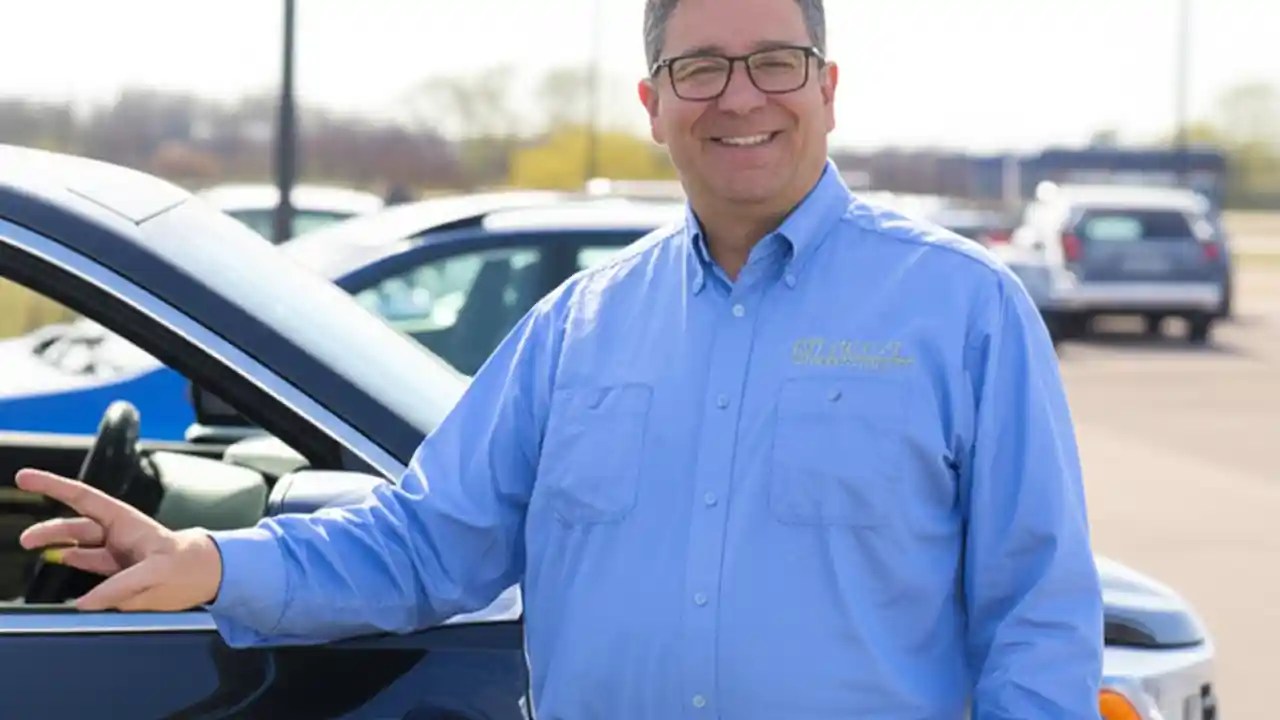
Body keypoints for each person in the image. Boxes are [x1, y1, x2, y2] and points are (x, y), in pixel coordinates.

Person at [15, 0, 1104, 716]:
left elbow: (1035, 616)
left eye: (775, 62)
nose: (738, 96)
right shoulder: (580, 326)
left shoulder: (960, 311)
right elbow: (426, 543)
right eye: (698, 67)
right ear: (651, 104)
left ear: (826, 87)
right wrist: (213, 563)